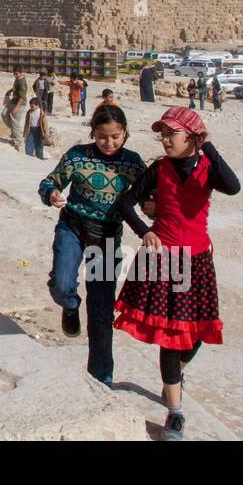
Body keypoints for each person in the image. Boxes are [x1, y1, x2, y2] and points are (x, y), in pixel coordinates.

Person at [112, 106, 239, 441]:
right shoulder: (159, 169)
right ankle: (176, 413)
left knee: (196, 334)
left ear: (191, 137)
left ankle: (174, 376)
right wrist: (144, 231)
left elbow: (233, 186)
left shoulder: (208, 167)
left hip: (196, 260)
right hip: (163, 259)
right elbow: (125, 202)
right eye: (163, 134)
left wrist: (206, 146)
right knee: (171, 336)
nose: (165, 140)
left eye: (172, 134)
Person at [39, 103, 146, 386]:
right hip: (72, 227)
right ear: (92, 134)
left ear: (125, 133)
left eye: (115, 136)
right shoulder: (77, 156)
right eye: (101, 136)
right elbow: (50, 181)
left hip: (107, 239)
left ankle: (101, 377)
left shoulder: (134, 164)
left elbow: (149, 196)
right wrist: (51, 194)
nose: (108, 143)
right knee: (62, 284)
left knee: (100, 311)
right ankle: (70, 305)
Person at [5, 68, 29, 150]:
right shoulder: (18, 79)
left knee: (15, 121)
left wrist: (17, 107)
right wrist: (10, 90)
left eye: (16, 74)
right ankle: (15, 133)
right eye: (14, 74)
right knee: (4, 114)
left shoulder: (22, 82)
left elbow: (22, 96)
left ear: (21, 72)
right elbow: (16, 87)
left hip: (20, 103)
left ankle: (18, 141)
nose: (15, 75)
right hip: (13, 101)